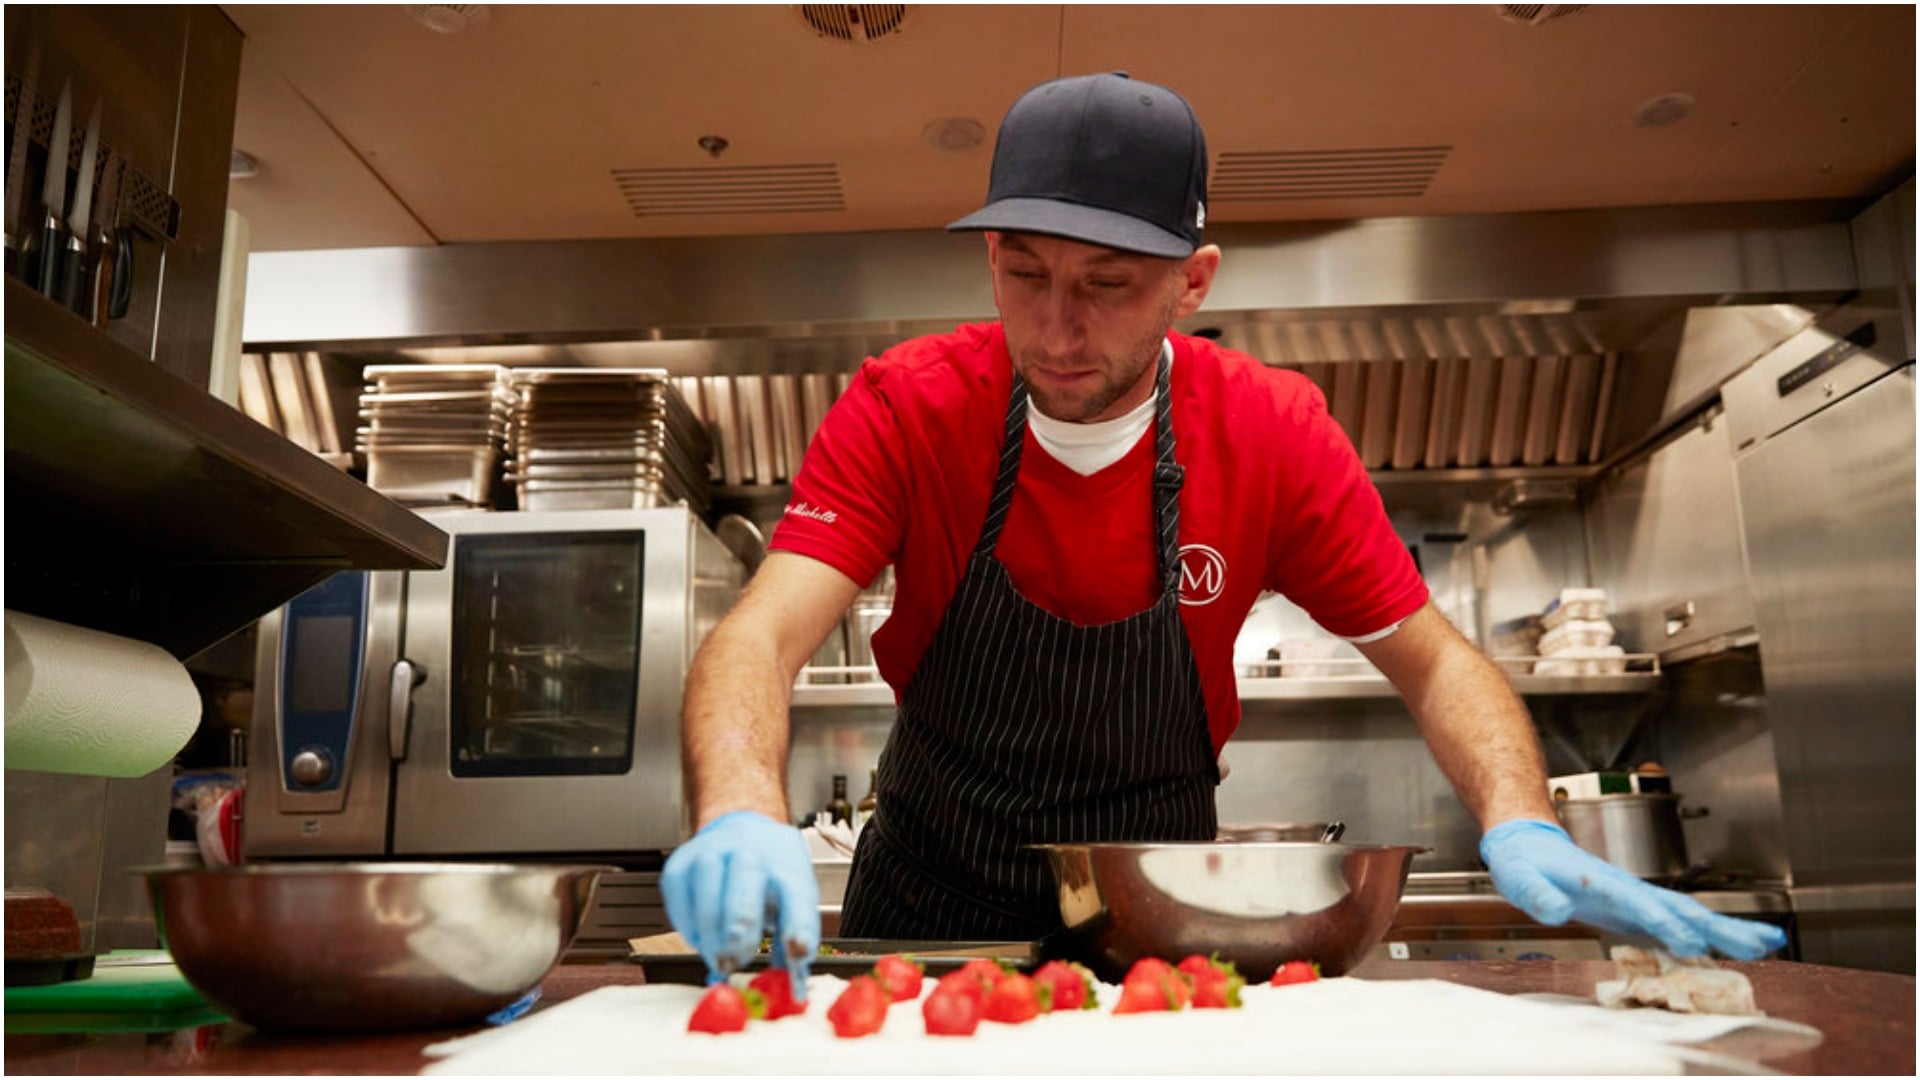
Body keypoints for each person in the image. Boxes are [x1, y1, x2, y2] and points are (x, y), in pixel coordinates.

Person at [660, 72, 1787, 995]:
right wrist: (742, 806)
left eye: (1108, 283)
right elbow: (756, 639)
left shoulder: (1271, 430)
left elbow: (1435, 661)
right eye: (1026, 273)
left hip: (1158, 908)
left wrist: (1524, 819)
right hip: (929, 905)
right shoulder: (910, 405)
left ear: (1191, 283)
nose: (1057, 327)